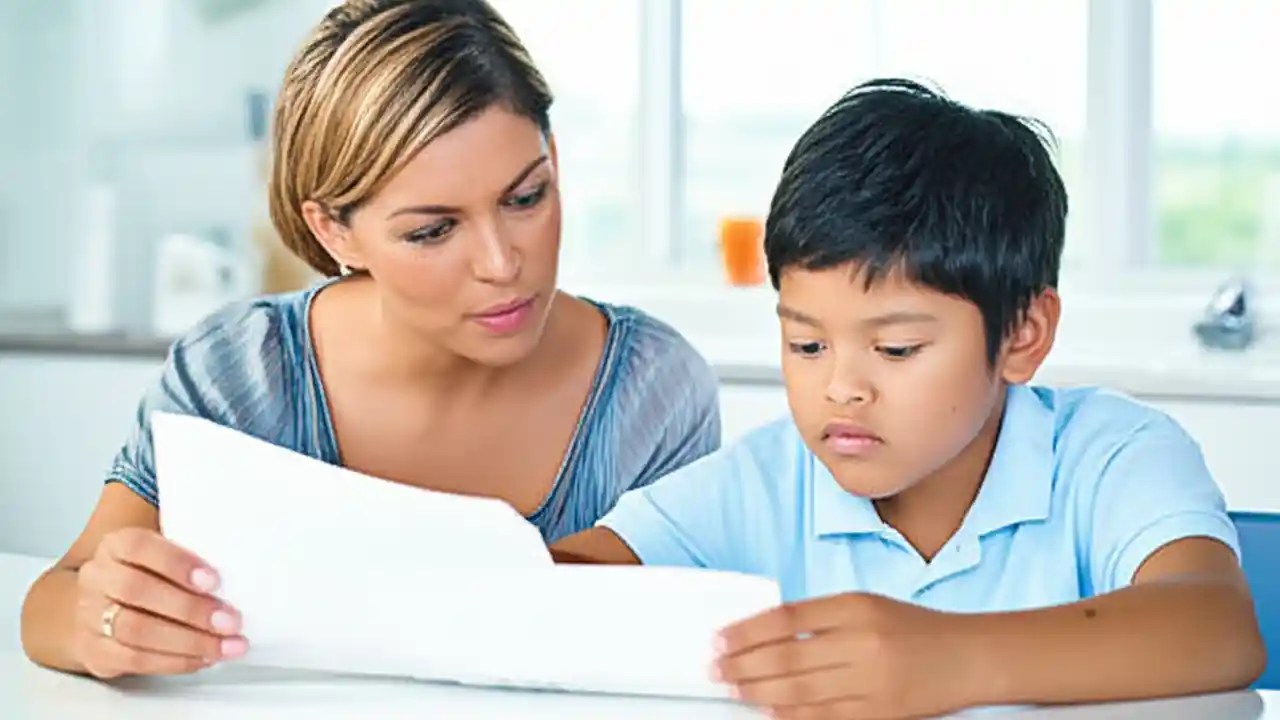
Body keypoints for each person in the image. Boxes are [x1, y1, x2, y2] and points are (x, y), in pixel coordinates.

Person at [21, 0, 720, 680]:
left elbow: (684, 643)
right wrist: (103, 621)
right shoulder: (239, 376)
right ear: (333, 231)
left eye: (525, 198)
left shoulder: (653, 391)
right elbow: (57, 597)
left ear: (554, 161)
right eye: (431, 231)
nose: (503, 263)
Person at [551, 79, 1265, 718]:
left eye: (894, 350)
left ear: (1022, 334)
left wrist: (953, 660)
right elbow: (544, 595)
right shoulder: (761, 482)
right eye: (806, 345)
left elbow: (1217, 627)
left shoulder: (1111, 456)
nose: (841, 387)